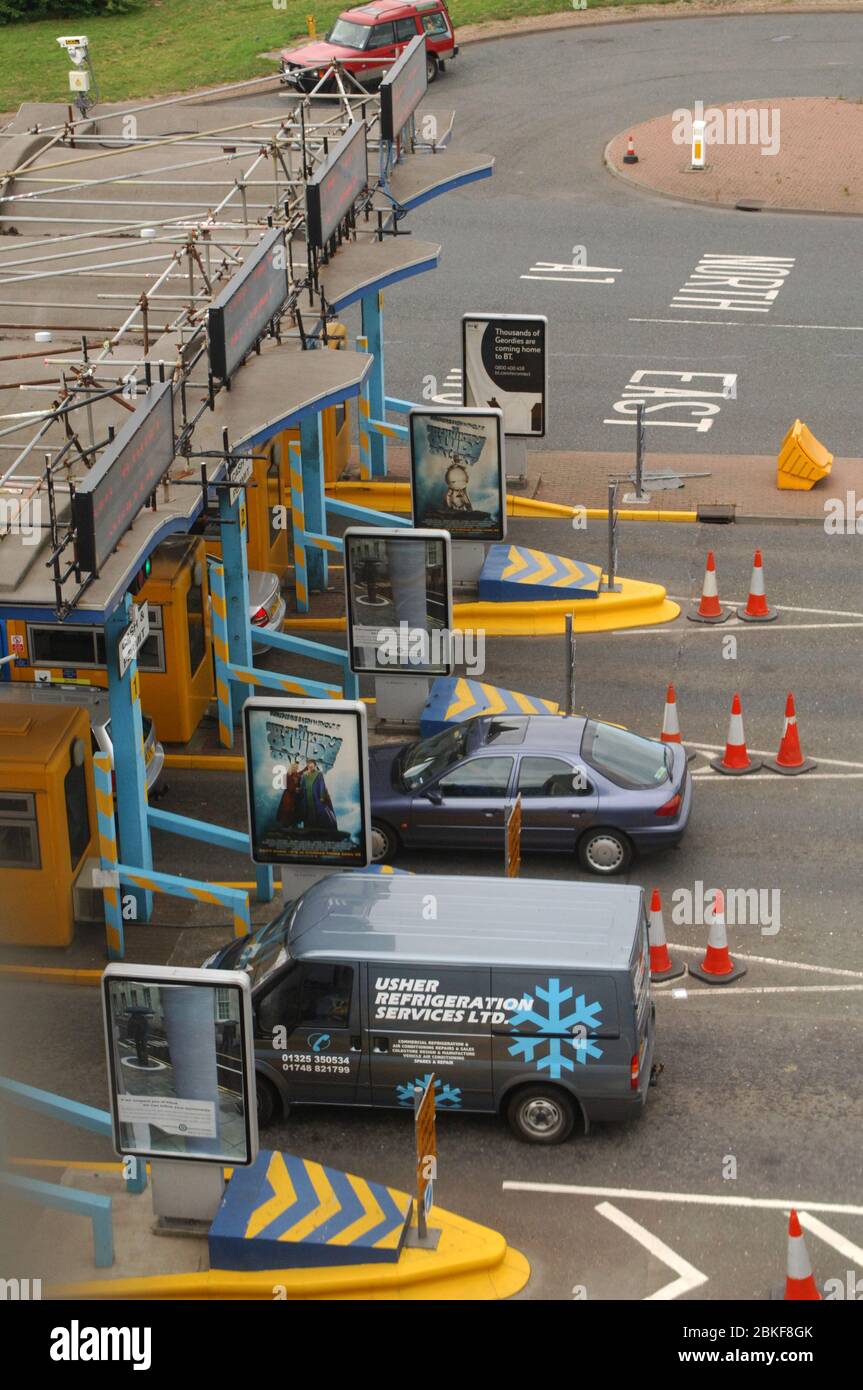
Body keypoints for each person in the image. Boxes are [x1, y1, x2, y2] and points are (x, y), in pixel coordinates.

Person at [296, 758, 338, 832]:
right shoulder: (304, 775)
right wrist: (299, 790)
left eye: (312, 764)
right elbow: (302, 785)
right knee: (307, 812)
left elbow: (322, 785)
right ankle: (309, 828)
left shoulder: (319, 774)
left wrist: (322, 796)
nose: (310, 765)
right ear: (307, 765)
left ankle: (322, 828)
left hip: (316, 796)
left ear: (315, 765)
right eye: (309, 764)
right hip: (307, 797)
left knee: (320, 812)